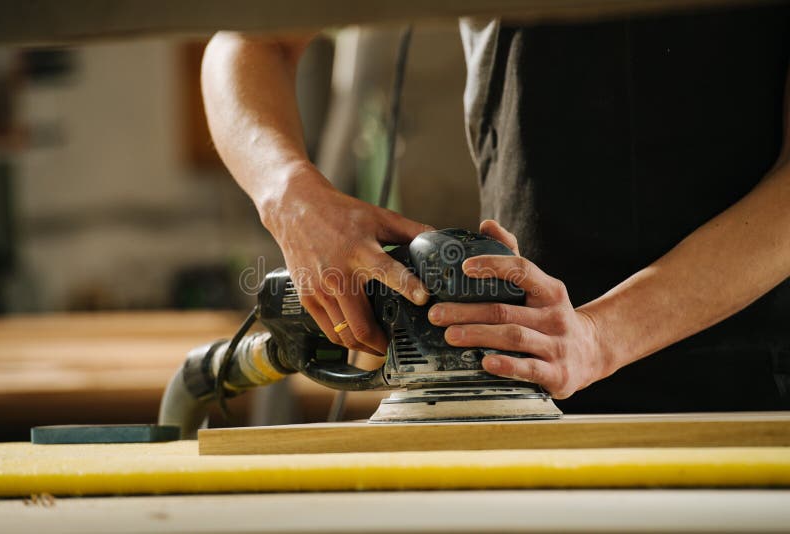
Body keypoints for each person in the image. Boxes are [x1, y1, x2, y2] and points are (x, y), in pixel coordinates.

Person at [201, 3, 790, 412]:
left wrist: (601, 337)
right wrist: (292, 195)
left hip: (744, 390)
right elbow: (249, 40)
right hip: (519, 379)